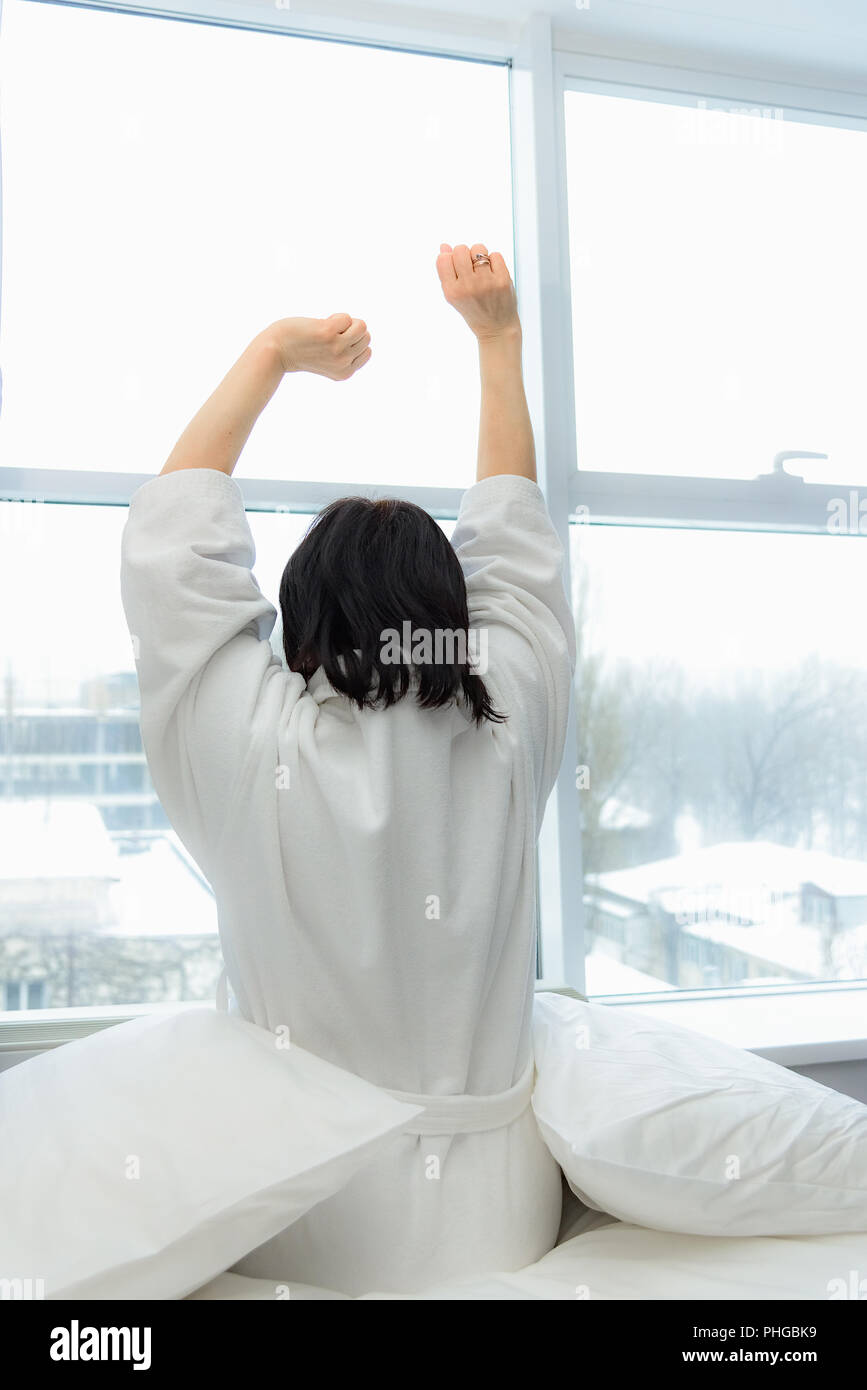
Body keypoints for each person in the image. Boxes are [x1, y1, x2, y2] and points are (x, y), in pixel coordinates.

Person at [120, 242, 576, 1296]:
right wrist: (498, 339)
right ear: (454, 622)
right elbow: (516, 550)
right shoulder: (509, 732)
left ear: (300, 621)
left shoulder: (247, 742)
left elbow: (172, 548)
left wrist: (274, 355)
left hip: (300, 1210)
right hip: (498, 1213)